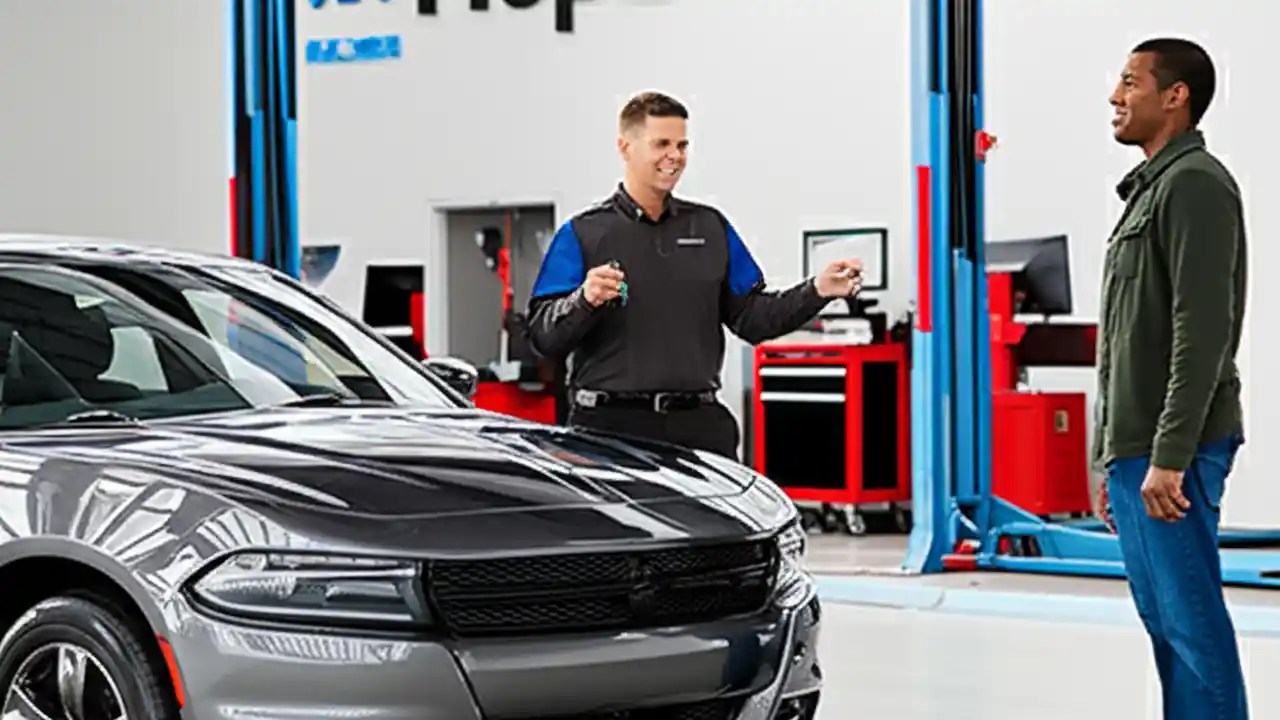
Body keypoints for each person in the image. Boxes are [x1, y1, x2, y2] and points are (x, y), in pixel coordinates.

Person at [525, 90, 863, 458]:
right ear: (625, 148)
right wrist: (583, 301)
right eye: (662, 144)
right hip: (609, 431)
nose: (675, 156)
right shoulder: (582, 233)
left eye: (682, 145)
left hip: (700, 428)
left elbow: (754, 319)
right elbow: (543, 337)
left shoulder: (710, 227)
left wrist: (817, 290)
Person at [1093, 38, 1248, 719]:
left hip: (1171, 452)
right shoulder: (1151, 191)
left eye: (1131, 82)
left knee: (1192, 627)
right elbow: (1123, 344)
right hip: (1138, 450)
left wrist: (1171, 455)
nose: (1115, 96)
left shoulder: (1195, 185)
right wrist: (1108, 456)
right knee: (1167, 626)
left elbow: (1203, 331)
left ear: (1175, 96)